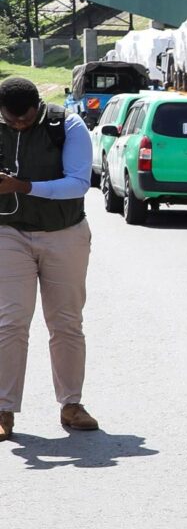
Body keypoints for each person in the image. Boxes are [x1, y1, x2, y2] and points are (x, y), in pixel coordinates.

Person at [0, 76, 98, 439]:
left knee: (66, 322)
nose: (18, 125)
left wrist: (23, 186)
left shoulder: (66, 125)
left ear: (38, 106)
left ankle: (71, 405)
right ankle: (3, 409)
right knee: (10, 321)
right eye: (11, 121)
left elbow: (77, 183)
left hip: (65, 234)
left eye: (24, 119)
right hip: (8, 232)